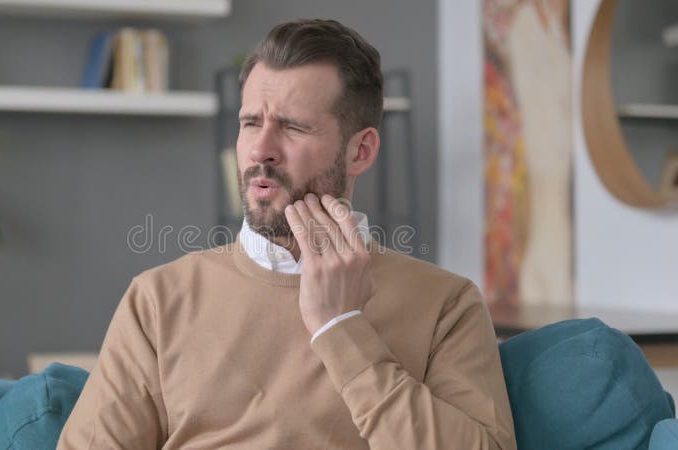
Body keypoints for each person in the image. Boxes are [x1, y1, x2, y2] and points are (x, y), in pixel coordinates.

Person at [58, 19, 516, 449]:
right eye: (250, 122)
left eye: (293, 126)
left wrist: (341, 328)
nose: (260, 148)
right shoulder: (159, 300)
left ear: (361, 150)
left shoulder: (446, 306)